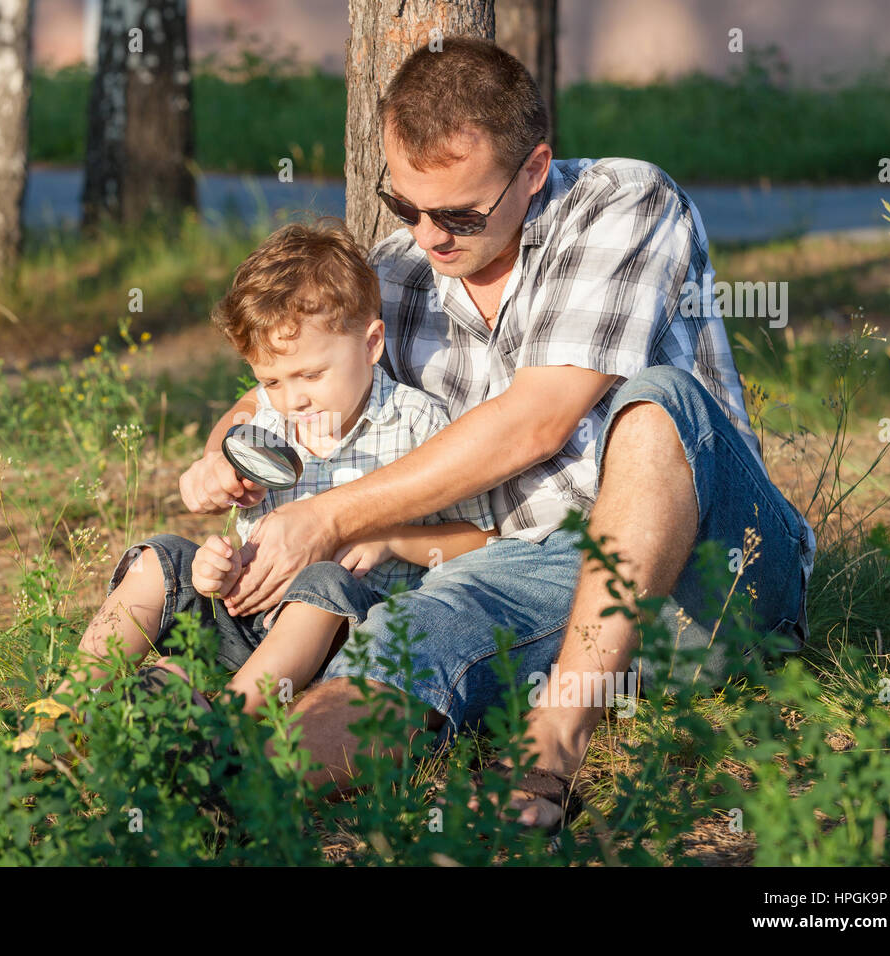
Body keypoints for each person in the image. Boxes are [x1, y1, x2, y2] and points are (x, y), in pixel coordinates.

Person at [179, 37, 816, 832]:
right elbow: (267, 394)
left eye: (459, 213)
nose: (430, 235)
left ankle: (552, 749)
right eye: (408, 206)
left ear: (534, 169)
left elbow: (539, 420)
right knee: (412, 633)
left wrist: (334, 515)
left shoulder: (623, 203)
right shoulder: (399, 274)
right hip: (522, 572)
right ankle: (219, 783)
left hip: (712, 572)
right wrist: (219, 454)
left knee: (658, 403)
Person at [60, 218, 494, 718]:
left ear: (371, 344)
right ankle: (71, 700)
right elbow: (229, 519)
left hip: (336, 637)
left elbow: (481, 541)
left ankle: (224, 721)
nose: (295, 398)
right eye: (272, 381)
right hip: (244, 615)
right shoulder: (266, 424)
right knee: (161, 557)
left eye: (311, 374)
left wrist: (392, 540)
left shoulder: (417, 423)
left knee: (325, 579)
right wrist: (215, 558)